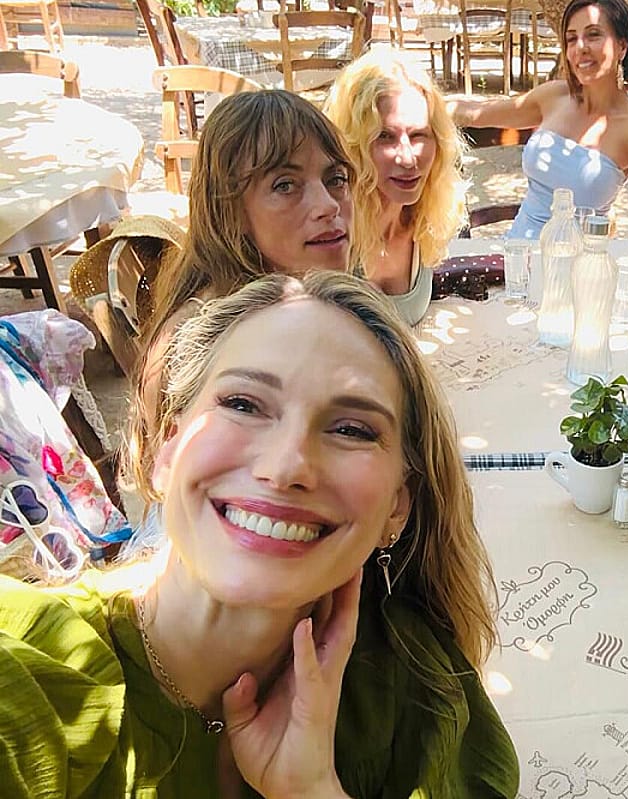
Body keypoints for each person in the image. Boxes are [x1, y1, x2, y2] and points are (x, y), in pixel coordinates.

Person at [0, 272, 519, 796]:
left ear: (396, 508)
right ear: (167, 451)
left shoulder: (414, 689)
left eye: (351, 430)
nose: (286, 464)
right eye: (243, 404)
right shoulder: (34, 681)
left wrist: (312, 787)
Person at [137, 89, 356, 413]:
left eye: (335, 178)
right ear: (230, 211)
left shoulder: (298, 306)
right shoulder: (215, 347)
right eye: (285, 185)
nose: (328, 205)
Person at [447, 0, 628, 240]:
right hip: (517, 255)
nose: (580, 47)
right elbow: (478, 113)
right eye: (571, 38)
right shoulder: (553, 96)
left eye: (593, 35)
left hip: (581, 268)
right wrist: (422, 103)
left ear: (622, 46)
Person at [325, 48, 468, 325]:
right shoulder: (330, 231)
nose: (407, 158)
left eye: (418, 135)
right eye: (384, 137)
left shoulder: (427, 223)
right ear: (352, 146)